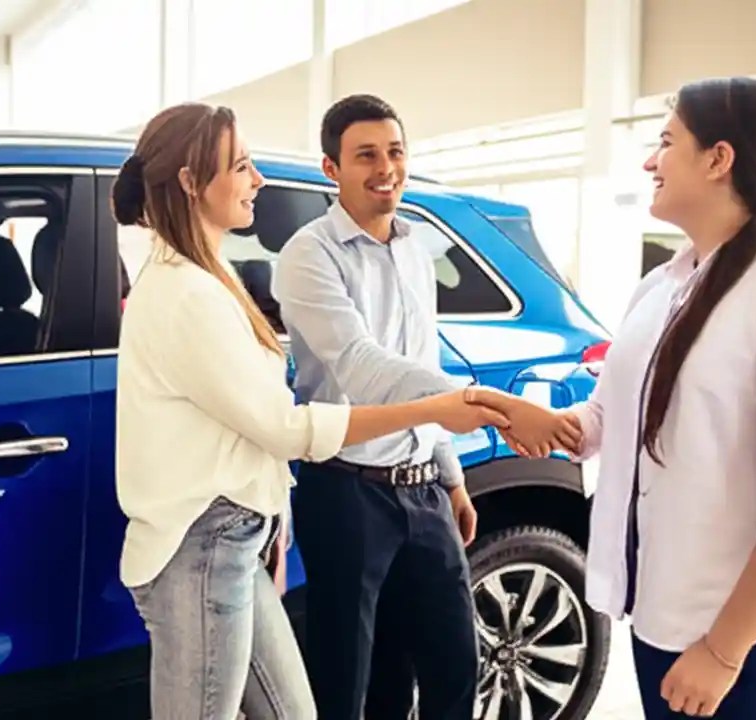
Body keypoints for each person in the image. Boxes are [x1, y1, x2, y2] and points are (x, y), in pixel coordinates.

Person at [111, 101, 511, 720]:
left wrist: (272, 516)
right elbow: (290, 421)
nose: (258, 181)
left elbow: (251, 421)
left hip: (240, 535)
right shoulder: (189, 292)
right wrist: (446, 404)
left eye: (395, 151)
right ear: (191, 183)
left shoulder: (209, 275)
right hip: (208, 544)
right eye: (241, 166)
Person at [565, 77, 756, 719]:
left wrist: (725, 651)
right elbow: (615, 415)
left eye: (666, 142)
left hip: (742, 633)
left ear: (718, 158)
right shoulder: (661, 286)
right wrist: (548, 423)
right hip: (658, 605)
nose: (651, 161)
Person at [271, 93, 580, 720]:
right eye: (365, 155)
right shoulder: (309, 255)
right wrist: (476, 401)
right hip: (347, 492)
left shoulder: (416, 246)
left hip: (425, 493)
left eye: (394, 151)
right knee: (349, 681)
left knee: (452, 668)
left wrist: (452, 476)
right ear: (331, 169)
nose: (386, 167)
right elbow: (360, 366)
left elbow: (423, 362)